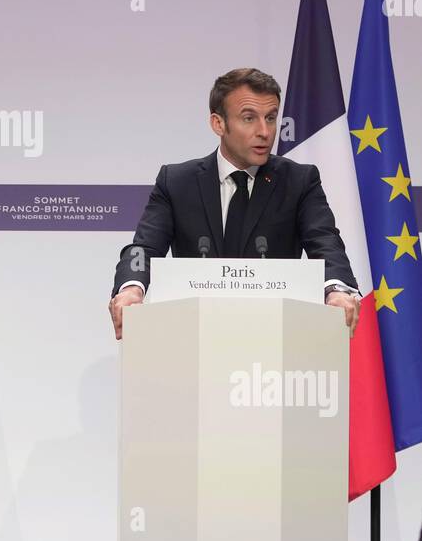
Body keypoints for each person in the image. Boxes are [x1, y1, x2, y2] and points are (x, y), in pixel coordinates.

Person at [109, 67, 360, 339]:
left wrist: (337, 290)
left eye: (271, 118)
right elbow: (144, 248)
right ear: (218, 124)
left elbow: (326, 243)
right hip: (195, 339)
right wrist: (131, 288)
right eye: (249, 118)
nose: (264, 131)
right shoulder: (176, 181)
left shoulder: (299, 181)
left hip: (276, 340)